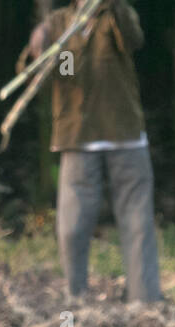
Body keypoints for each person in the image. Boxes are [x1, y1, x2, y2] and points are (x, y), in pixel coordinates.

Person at [25, 0, 162, 304]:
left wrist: (114, 8)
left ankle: (145, 300)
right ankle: (76, 295)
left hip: (123, 133)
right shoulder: (59, 22)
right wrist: (39, 46)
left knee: (137, 221)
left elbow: (133, 39)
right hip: (77, 135)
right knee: (72, 225)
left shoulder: (118, 13)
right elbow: (35, 72)